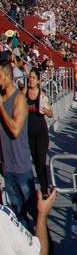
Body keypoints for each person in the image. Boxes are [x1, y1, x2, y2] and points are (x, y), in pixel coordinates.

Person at [0, 56, 35, 228]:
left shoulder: (19, 99)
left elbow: (15, 130)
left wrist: (0, 107)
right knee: (17, 214)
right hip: (7, 167)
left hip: (21, 167)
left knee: (33, 211)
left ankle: (46, 247)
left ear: (7, 76)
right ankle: (26, 252)